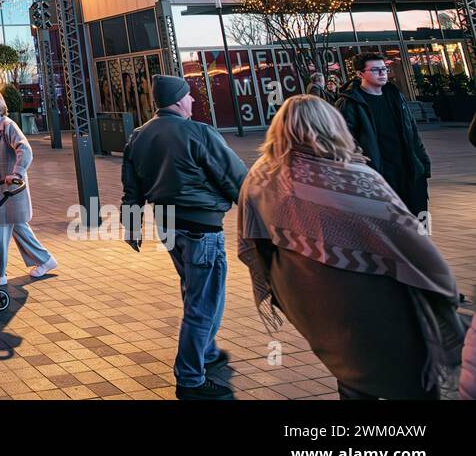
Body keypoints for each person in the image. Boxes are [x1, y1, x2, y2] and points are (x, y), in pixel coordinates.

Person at [238, 95, 464, 400]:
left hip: (307, 300)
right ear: (332, 127)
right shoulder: (355, 180)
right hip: (371, 302)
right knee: (413, 380)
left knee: (351, 377)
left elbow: (253, 241)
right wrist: (446, 290)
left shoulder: (260, 176)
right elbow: (413, 245)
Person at [121, 74, 248, 400]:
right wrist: (257, 216)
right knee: (204, 302)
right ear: (178, 100)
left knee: (194, 291)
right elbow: (236, 178)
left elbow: (131, 191)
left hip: (167, 225)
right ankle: (191, 379)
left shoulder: (138, 136)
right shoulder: (199, 132)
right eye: (189, 96)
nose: (192, 101)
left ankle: (204, 352)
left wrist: (132, 228)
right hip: (201, 227)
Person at [336, 51, 431, 215]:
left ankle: (424, 241)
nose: (382, 73)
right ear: (360, 74)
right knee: (392, 227)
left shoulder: (395, 96)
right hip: (380, 176)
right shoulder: (350, 103)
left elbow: (412, 131)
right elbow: (345, 141)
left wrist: (423, 164)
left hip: (410, 171)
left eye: (384, 69)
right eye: (375, 70)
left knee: (421, 225)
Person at [0, 90, 57, 284]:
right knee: (17, 226)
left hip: (9, 188)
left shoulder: (7, 125)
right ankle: (46, 260)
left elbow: (25, 149)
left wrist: (17, 173)